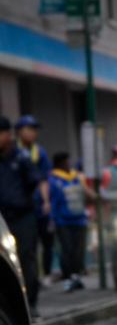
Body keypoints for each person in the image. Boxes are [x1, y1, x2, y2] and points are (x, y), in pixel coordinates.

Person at [0, 116, 45, 314]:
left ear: (8, 134)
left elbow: (38, 180)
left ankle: (30, 304)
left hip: (23, 215)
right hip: (2, 218)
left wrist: (45, 201)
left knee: (27, 257)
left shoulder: (22, 156)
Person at [14, 116, 53, 288]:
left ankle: (41, 277)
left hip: (36, 206)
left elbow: (43, 179)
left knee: (44, 243)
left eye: (34, 129)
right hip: (17, 208)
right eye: (28, 129)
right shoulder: (11, 150)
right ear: (19, 131)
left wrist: (46, 201)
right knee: (24, 247)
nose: (32, 133)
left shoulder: (39, 152)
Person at [48, 152, 95, 292]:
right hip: (63, 221)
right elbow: (53, 202)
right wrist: (52, 220)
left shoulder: (77, 177)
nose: (67, 164)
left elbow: (87, 194)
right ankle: (68, 278)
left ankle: (76, 277)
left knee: (78, 251)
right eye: (64, 162)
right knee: (67, 250)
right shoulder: (53, 180)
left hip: (80, 220)